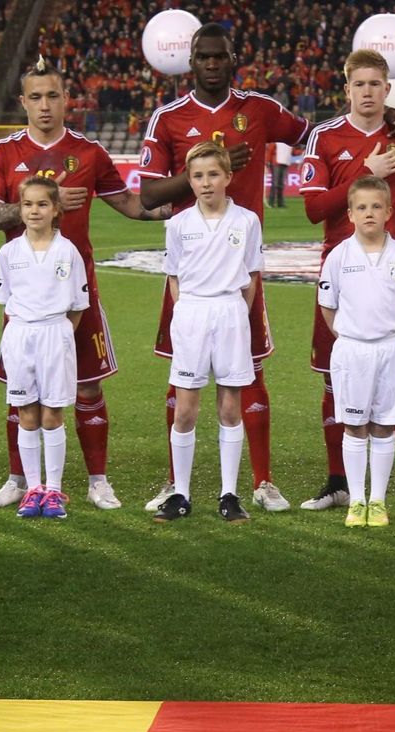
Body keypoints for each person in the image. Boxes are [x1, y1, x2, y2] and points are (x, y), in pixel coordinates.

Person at [0, 57, 165, 512]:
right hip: (25, 301)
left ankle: (97, 481)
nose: (44, 105)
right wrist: (45, 202)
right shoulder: (4, 153)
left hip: (77, 296)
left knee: (89, 388)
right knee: (20, 391)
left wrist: (190, 202)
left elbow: (134, 206)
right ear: (23, 102)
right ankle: (19, 480)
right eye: (36, 97)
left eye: (53, 96)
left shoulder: (90, 153)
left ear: (67, 100)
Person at [138, 23, 313, 514]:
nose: (212, 64)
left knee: (249, 374)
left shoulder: (259, 109)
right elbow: (149, 194)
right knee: (183, 382)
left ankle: (260, 482)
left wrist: (383, 119)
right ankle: (176, 484)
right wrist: (201, 173)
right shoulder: (168, 117)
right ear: (191, 62)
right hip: (192, 273)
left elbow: (314, 134)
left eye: (220, 56)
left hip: (240, 265)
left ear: (232, 59)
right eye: (204, 57)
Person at [298, 48, 395, 513]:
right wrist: (367, 172)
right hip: (341, 277)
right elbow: (314, 209)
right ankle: (338, 482)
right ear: (347, 89)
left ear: (387, 89)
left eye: (374, 84)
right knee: (332, 380)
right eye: (358, 84)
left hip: (392, 276)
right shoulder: (325, 137)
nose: (367, 91)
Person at [154, 142, 262, 524]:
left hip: (231, 312)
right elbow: (174, 277)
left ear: (228, 177)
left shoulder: (246, 220)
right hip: (192, 314)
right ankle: (180, 493)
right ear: (189, 180)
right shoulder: (180, 223)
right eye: (197, 176)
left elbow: (251, 276)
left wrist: (236, 314)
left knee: (230, 407)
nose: (205, 182)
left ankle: (228, 494)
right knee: (185, 409)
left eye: (213, 174)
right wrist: (186, 312)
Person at [317, 175, 395, 528]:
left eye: (377, 206)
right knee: (354, 426)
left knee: (383, 426)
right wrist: (352, 334)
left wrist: (380, 332)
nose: (369, 213)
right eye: (361, 207)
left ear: (390, 211)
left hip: (390, 349)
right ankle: (356, 500)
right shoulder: (338, 256)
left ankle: (377, 501)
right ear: (350, 214)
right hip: (352, 351)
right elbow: (328, 306)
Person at [0, 176, 91, 520]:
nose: (34, 211)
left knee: (52, 415)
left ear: (56, 210)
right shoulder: (8, 252)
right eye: (28, 204)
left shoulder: (68, 251)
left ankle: (53, 490)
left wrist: (61, 333)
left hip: (55, 334)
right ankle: (32, 489)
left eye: (42, 204)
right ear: (20, 210)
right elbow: (6, 300)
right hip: (20, 336)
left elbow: (78, 305)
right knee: (27, 414)